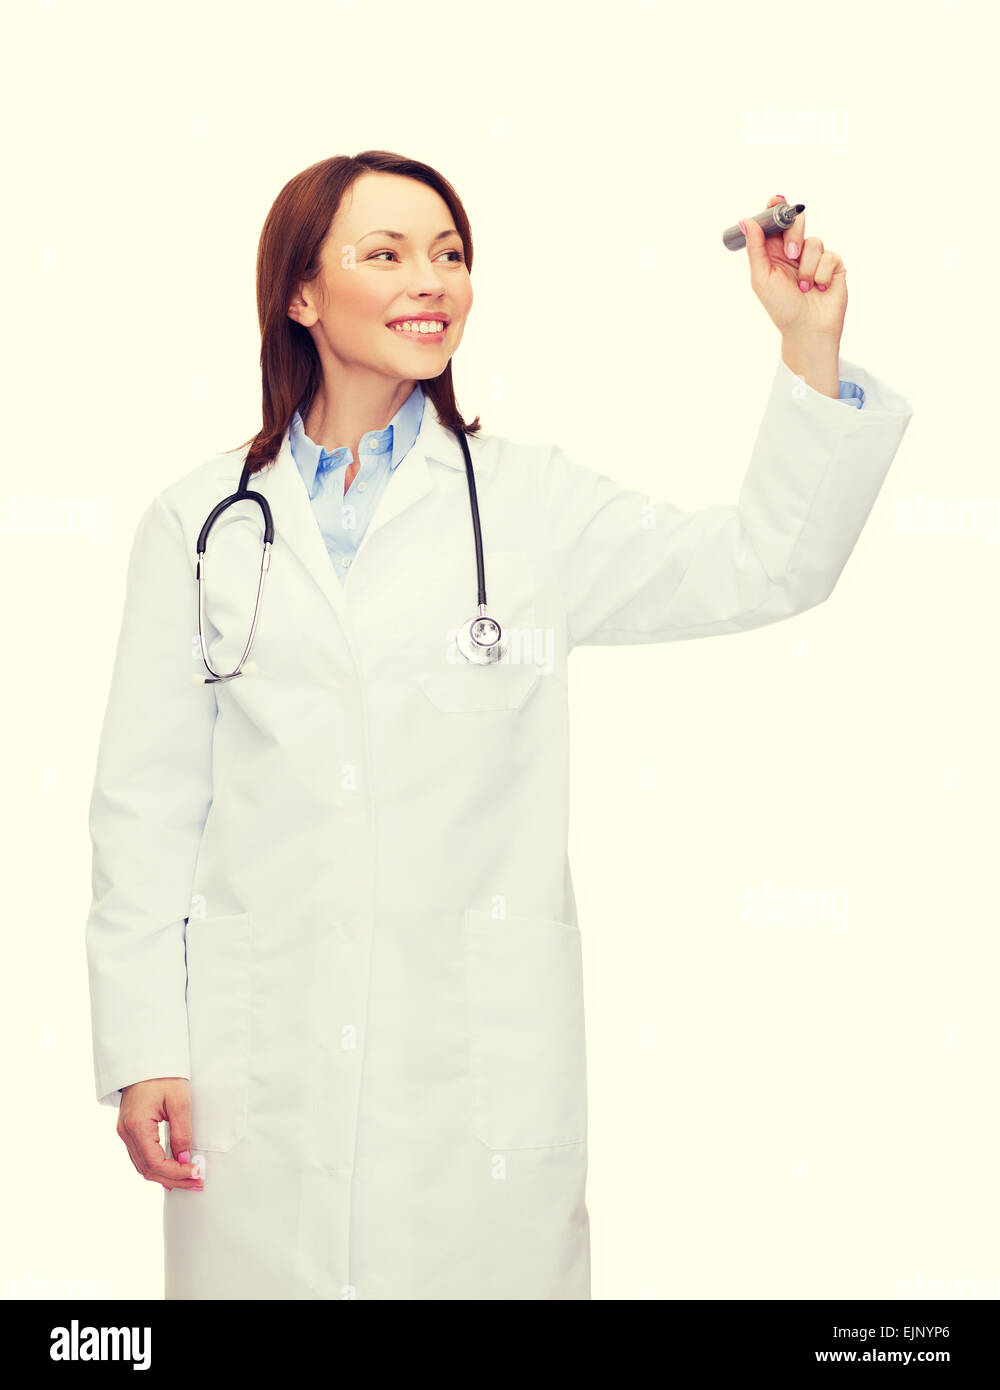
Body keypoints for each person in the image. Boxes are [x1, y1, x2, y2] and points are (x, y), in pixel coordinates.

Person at [85, 150, 913, 1300]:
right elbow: (147, 808)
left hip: (472, 1082)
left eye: (450, 254)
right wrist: (144, 1049)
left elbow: (761, 568)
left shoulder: (529, 507)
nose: (432, 280)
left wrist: (805, 345)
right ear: (302, 295)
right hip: (259, 1077)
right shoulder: (199, 521)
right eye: (386, 254)